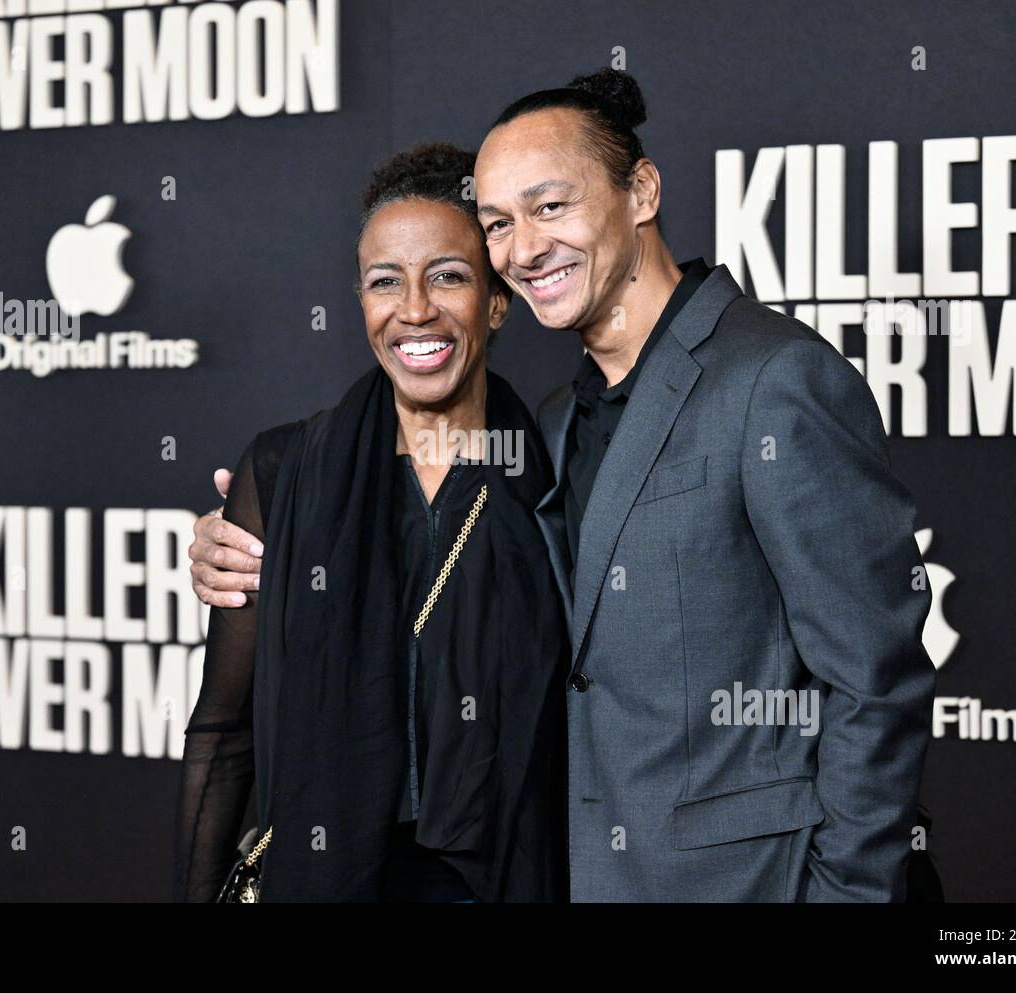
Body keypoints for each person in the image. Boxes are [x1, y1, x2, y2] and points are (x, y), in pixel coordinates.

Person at [191, 70, 936, 903]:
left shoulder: (775, 378)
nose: (524, 247)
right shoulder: (548, 429)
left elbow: (876, 681)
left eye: (551, 207)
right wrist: (250, 544)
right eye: (500, 224)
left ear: (642, 190)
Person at [174, 144, 569, 903]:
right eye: (386, 281)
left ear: (497, 299)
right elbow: (223, 733)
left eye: (448, 275)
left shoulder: (557, 468)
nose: (414, 309)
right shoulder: (283, 473)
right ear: (361, 301)